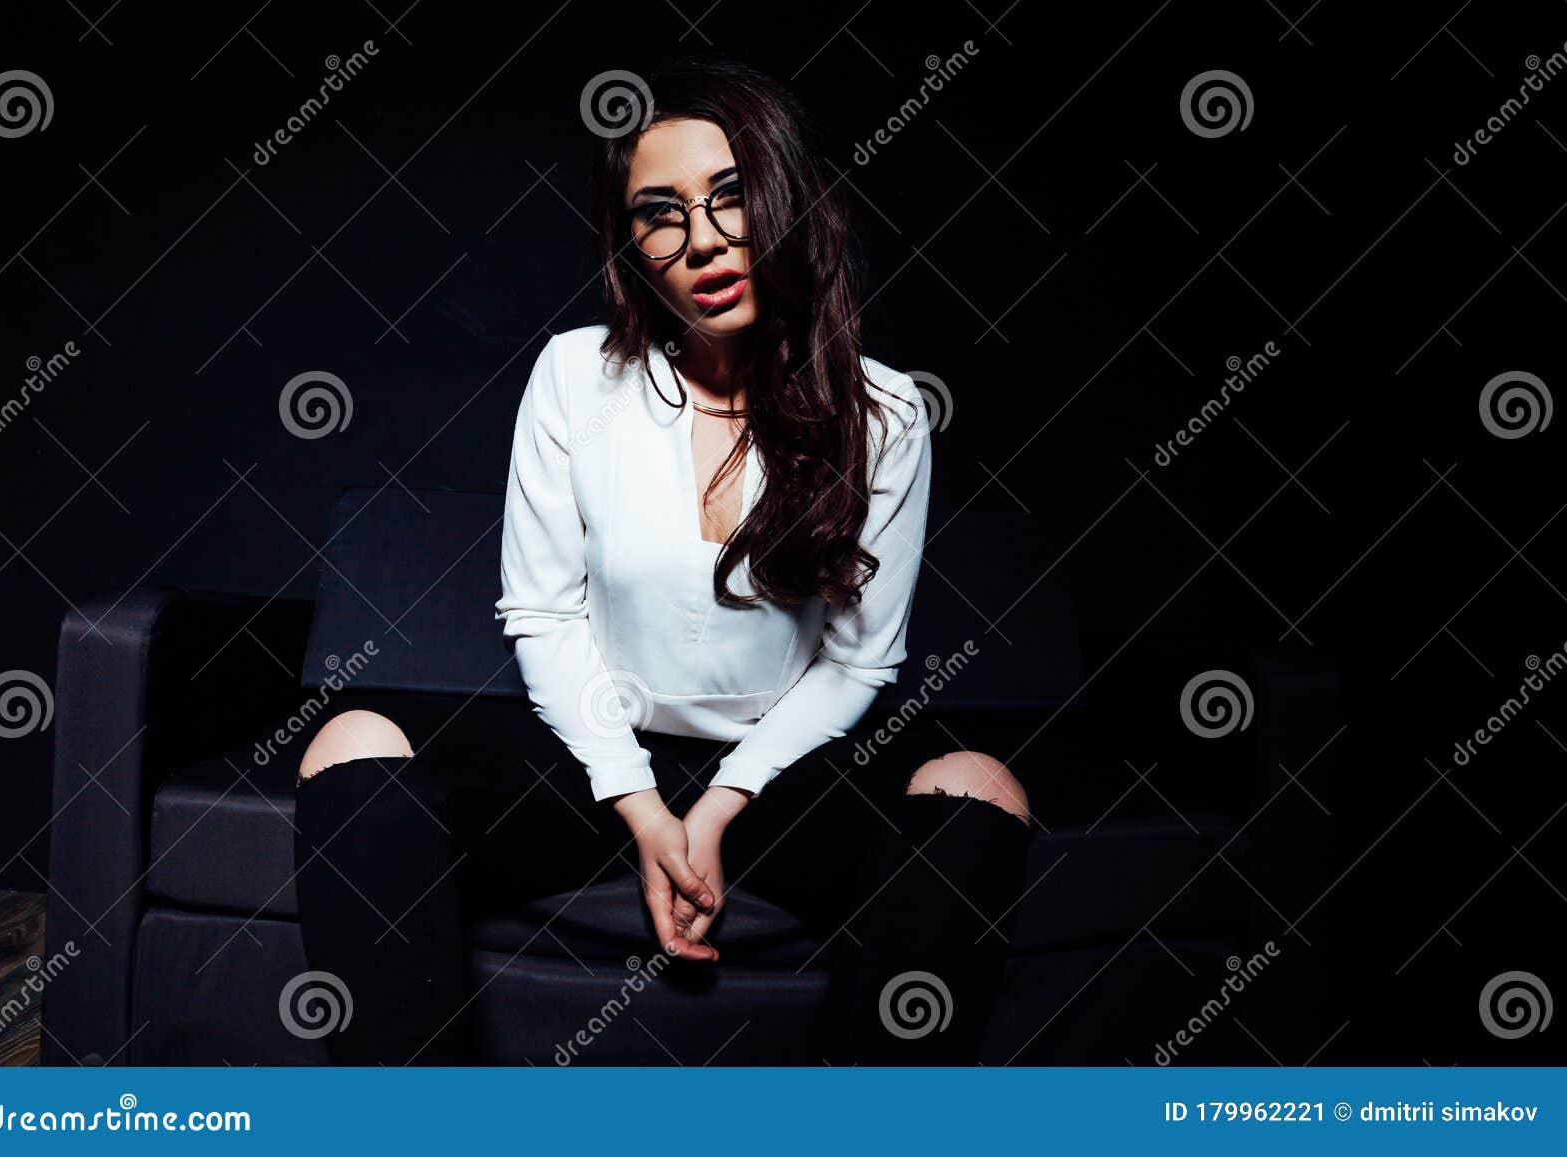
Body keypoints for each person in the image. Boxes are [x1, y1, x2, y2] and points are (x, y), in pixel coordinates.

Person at [291, 54, 1033, 1066]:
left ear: (786, 201)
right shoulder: (574, 376)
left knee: (981, 784)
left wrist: (723, 803)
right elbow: (542, 616)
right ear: (633, 244)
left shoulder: (887, 410)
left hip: (782, 776)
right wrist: (640, 804)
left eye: (730, 197)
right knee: (350, 740)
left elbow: (860, 662)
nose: (703, 241)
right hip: (596, 760)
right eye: (660, 212)